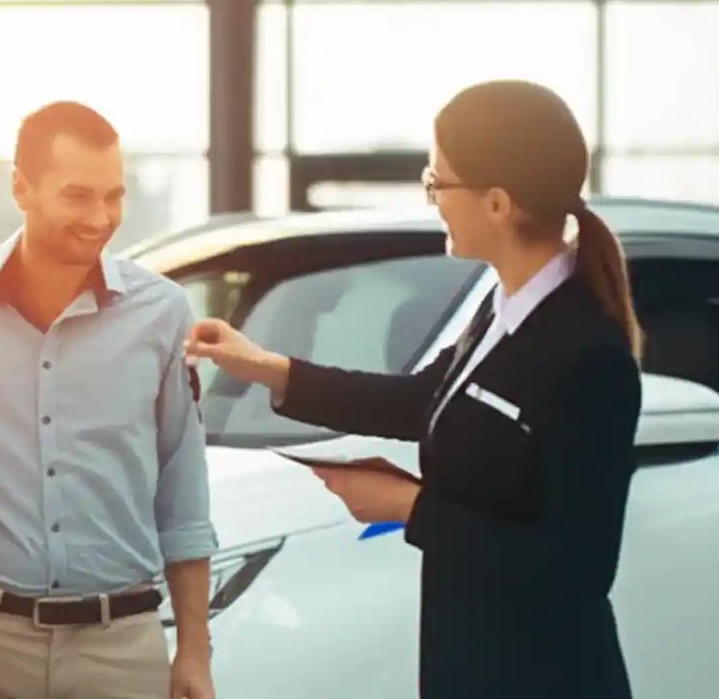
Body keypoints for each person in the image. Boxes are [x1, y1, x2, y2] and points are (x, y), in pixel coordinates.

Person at [184, 80, 643, 699]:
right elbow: (428, 401)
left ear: (498, 204)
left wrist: (407, 507)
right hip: (470, 662)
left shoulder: (587, 353)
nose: (434, 201)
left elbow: (576, 569)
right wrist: (268, 367)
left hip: (541, 675)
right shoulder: (500, 309)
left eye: (438, 183)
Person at [0, 100, 217, 699]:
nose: (102, 217)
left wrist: (193, 650)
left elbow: (182, 496)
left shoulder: (160, 312)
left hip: (120, 650)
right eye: (78, 196)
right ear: (20, 189)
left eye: (114, 196)